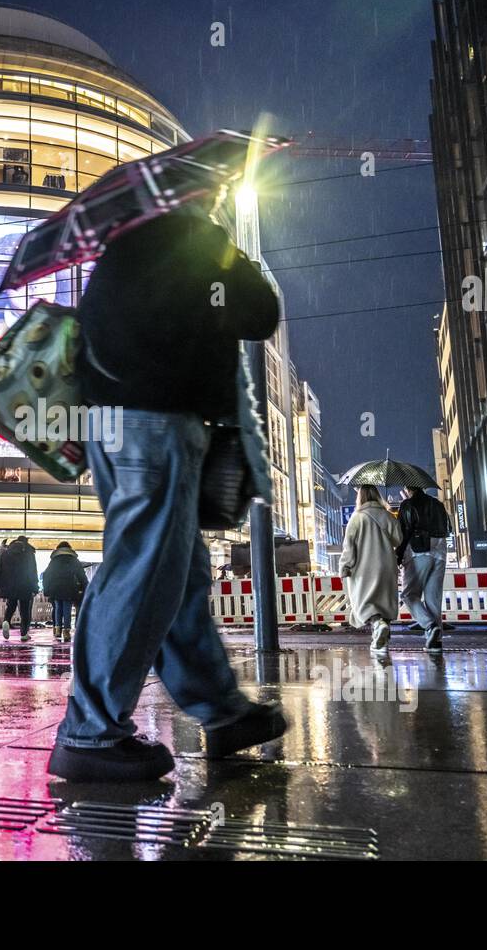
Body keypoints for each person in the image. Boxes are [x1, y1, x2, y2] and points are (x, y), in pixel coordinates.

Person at [48, 203, 288, 783]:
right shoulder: (197, 239)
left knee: (176, 576)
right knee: (144, 568)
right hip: (154, 422)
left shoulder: (121, 244)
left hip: (113, 423)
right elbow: (259, 312)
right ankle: (90, 732)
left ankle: (220, 711)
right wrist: (235, 255)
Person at [339, 484, 403, 656]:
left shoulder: (357, 518)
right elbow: (398, 539)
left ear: (360, 496)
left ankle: (377, 625)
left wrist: (345, 565)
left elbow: (349, 546)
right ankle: (381, 642)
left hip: (364, 567)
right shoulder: (388, 516)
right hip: (387, 566)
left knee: (365, 602)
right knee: (385, 602)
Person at [396, 484, 450, 653]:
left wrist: (398, 555)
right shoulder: (438, 504)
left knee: (409, 594)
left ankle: (429, 625)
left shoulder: (407, 505)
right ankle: (435, 642)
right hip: (440, 554)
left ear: (408, 489)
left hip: (418, 552)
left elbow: (402, 533)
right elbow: (448, 529)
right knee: (433, 599)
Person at [42, 541, 88, 642]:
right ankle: (66, 631)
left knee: (58, 608)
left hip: (56, 587)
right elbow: (81, 574)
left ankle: (58, 629)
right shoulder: (73, 559)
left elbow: (46, 574)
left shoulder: (54, 560)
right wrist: (86, 586)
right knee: (67, 608)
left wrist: (46, 589)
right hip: (69, 586)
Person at [0, 535, 38, 641]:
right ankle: (24, 634)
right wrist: (34, 587)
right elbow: (33, 571)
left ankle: (6, 621)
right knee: (24, 610)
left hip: (9, 585)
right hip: (25, 585)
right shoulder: (29, 554)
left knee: (11, 605)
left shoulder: (5, 553)